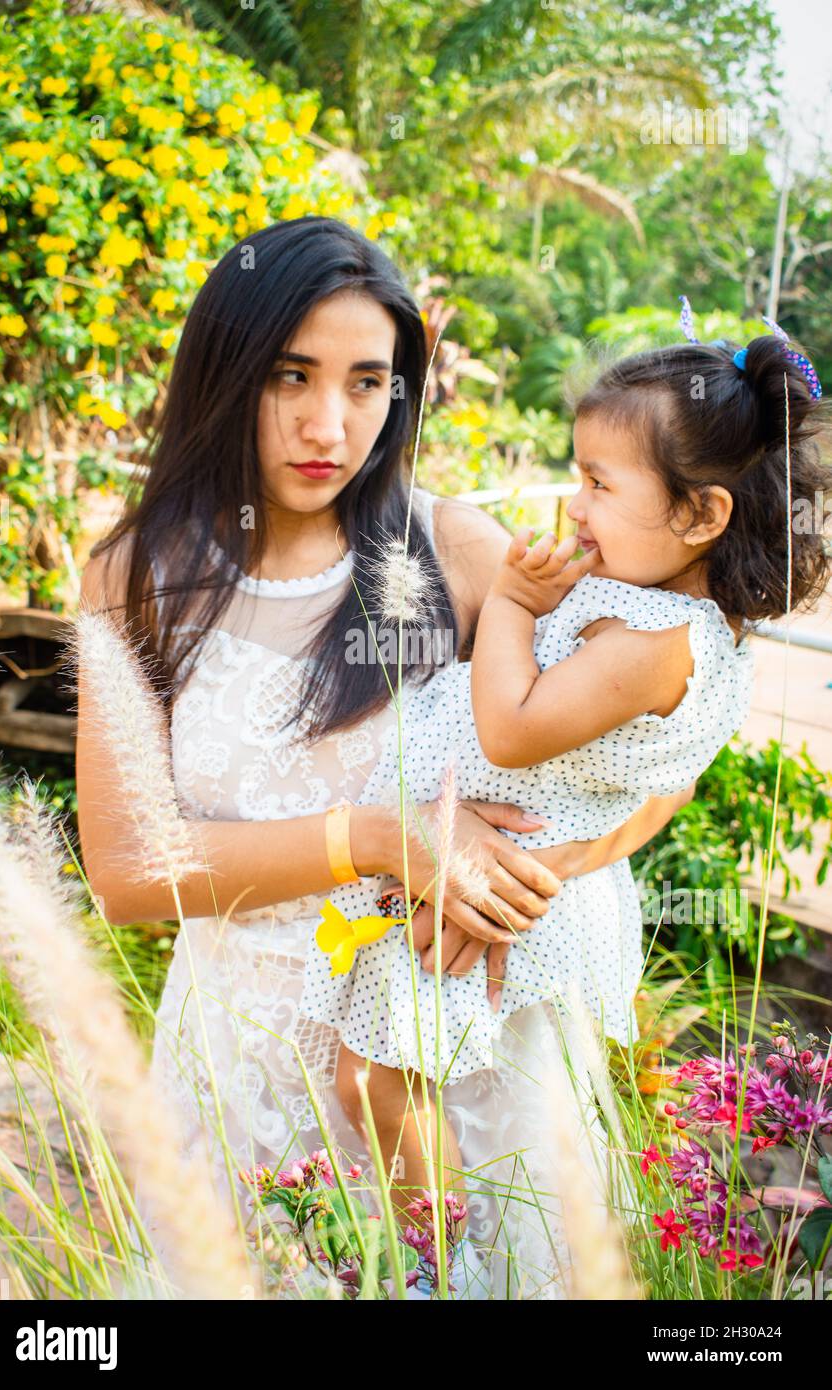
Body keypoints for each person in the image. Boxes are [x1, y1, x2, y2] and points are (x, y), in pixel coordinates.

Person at [75, 217, 693, 1299]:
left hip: (447, 1077)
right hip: (242, 1075)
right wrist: (375, 838)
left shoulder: (453, 552)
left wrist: (502, 878)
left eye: (368, 383)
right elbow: (127, 869)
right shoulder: (137, 575)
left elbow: (658, 757)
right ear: (224, 372)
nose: (329, 423)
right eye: (289, 376)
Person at [298, 315, 831, 1267]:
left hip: (488, 878)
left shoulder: (656, 642)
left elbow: (510, 725)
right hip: (468, 860)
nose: (573, 504)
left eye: (597, 482)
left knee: (378, 1081)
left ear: (701, 516)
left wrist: (509, 601)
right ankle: (444, 1256)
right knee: (394, 1077)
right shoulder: (649, 608)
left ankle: (440, 1267)